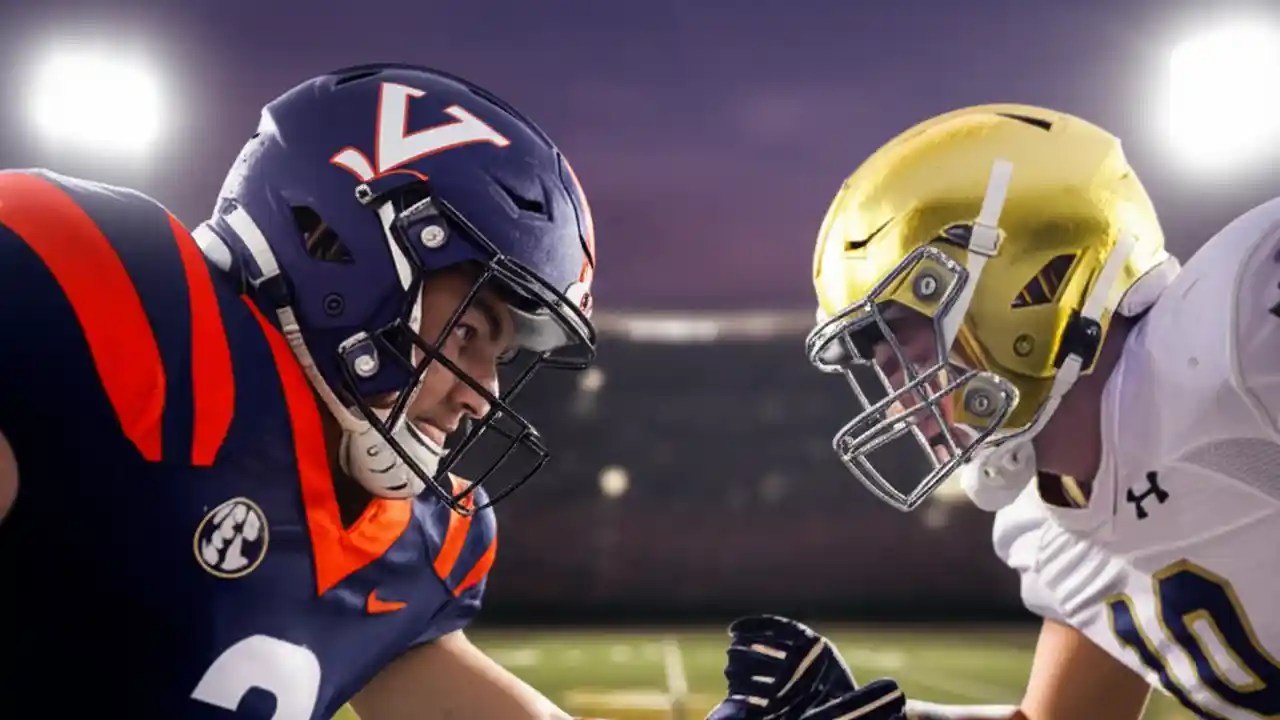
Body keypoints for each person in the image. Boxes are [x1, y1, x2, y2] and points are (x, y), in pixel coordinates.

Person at [0, 62, 602, 719]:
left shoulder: (420, 541)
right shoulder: (108, 306)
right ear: (331, 244)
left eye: (503, 357)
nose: (482, 396)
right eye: (468, 334)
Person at [709, 103, 1280, 719]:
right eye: (880, 363)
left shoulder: (1242, 324)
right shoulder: (1051, 534)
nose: (900, 396)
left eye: (904, 338)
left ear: (1024, 282)